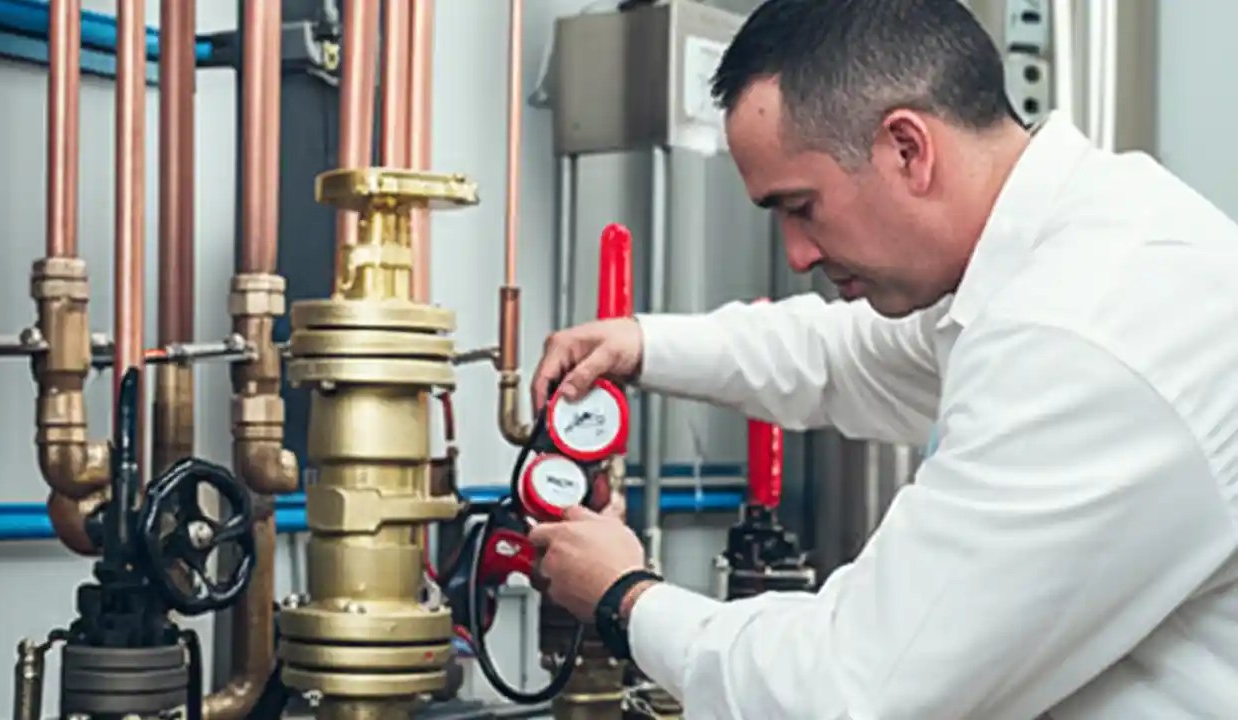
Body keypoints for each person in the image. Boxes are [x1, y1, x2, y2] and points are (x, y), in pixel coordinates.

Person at [524, 0, 1238, 718]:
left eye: (801, 207)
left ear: (907, 149)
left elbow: (849, 692)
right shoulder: (1068, 248)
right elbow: (842, 356)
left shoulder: (1083, 333)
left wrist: (626, 598)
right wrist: (642, 344)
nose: (796, 255)